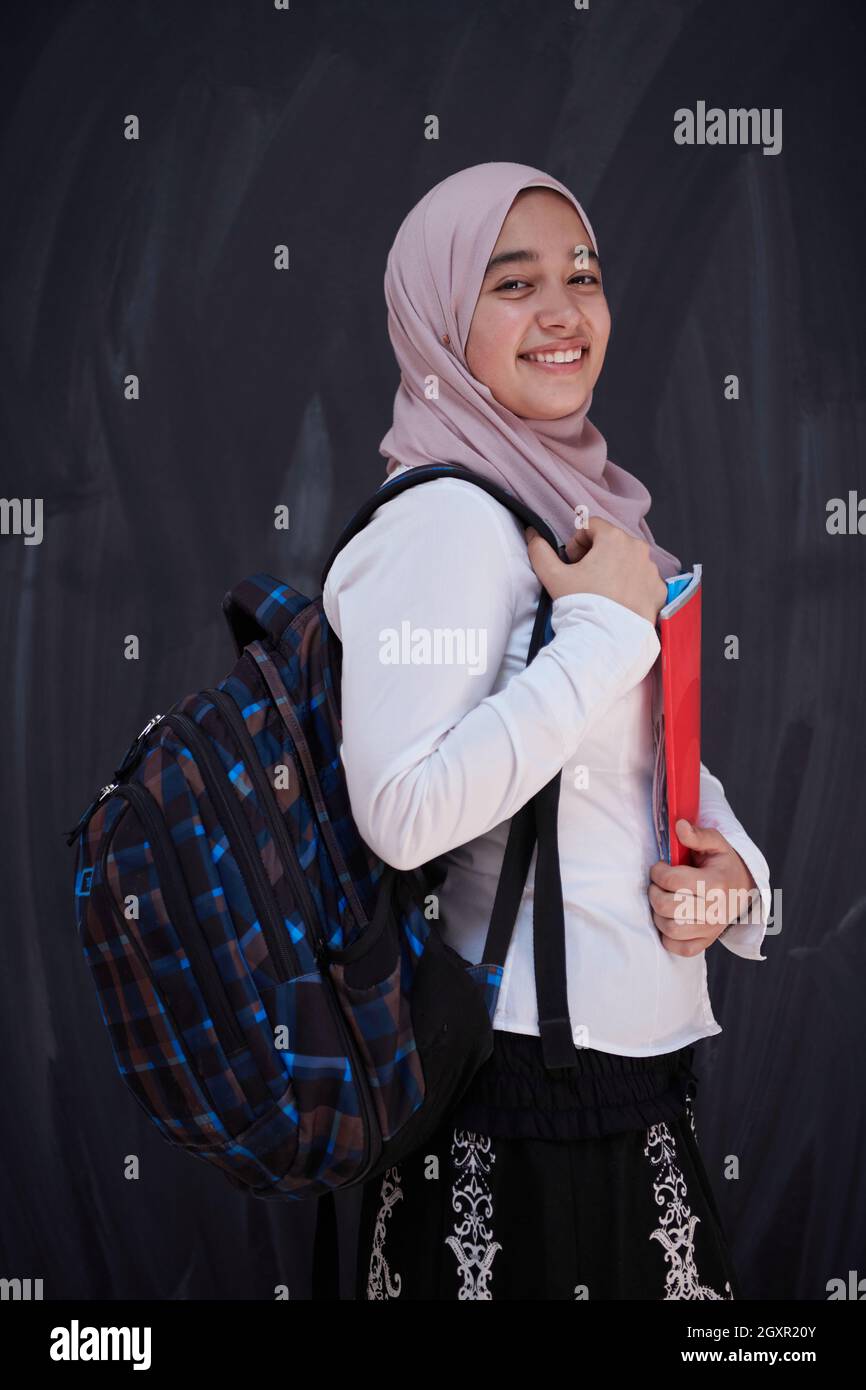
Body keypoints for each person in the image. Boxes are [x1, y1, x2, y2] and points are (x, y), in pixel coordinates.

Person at [321, 162, 771, 1301]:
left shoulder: (574, 505)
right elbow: (401, 807)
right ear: (436, 319)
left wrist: (735, 879)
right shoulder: (442, 517)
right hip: (508, 1101)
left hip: (623, 1081)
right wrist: (603, 639)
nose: (563, 312)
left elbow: (624, 758)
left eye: (580, 274)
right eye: (510, 284)